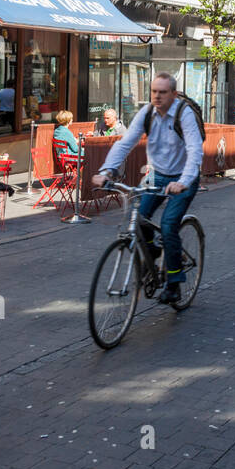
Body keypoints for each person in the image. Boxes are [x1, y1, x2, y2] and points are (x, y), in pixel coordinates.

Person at [93, 73, 203, 304]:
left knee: (168, 225)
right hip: (157, 175)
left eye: (163, 92)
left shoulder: (184, 114)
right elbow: (125, 143)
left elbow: (195, 151)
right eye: (154, 91)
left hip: (184, 178)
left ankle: (174, 283)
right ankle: (152, 254)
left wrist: (183, 181)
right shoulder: (146, 113)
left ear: (173, 94)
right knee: (139, 218)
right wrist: (106, 171)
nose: (157, 96)